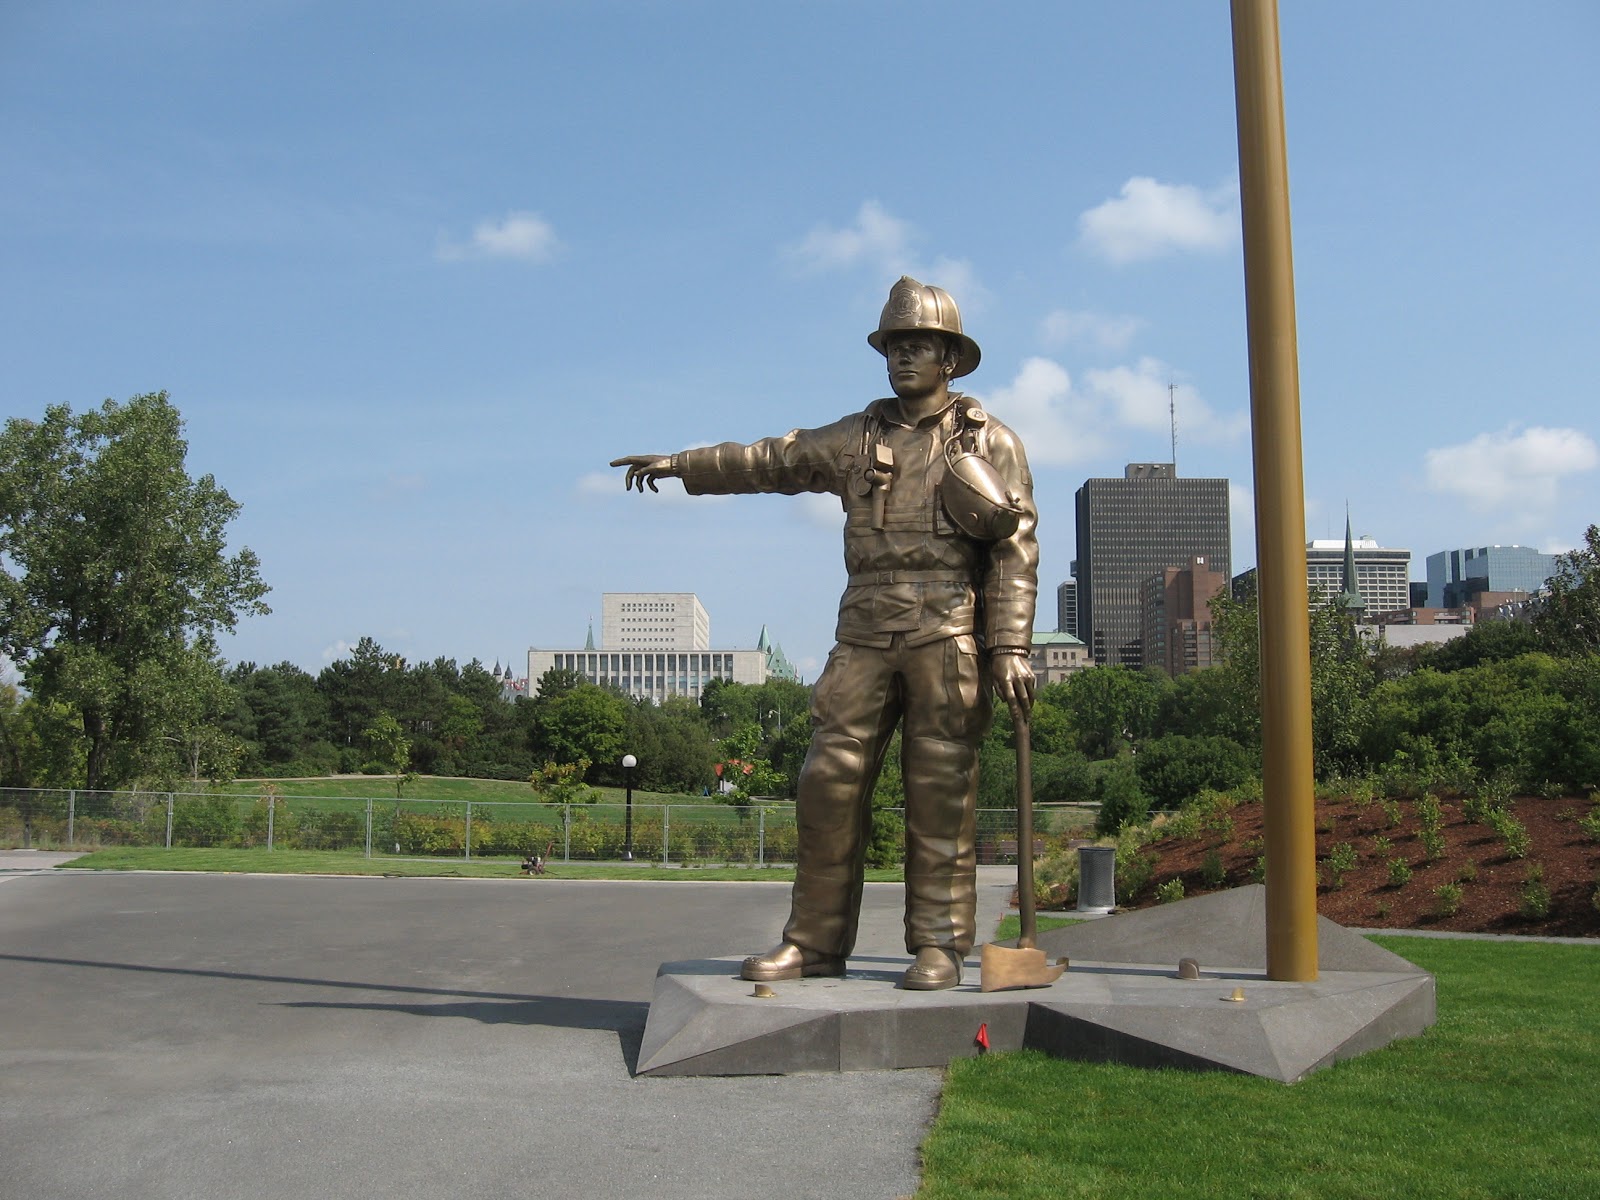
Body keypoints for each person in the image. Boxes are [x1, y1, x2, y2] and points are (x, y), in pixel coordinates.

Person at [611, 276, 1037, 990]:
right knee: (826, 785)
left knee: (940, 794)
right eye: (894, 345)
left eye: (919, 345)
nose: (903, 357)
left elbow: (1015, 549)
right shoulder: (855, 436)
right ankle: (813, 943)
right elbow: (769, 459)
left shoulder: (991, 440)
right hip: (864, 629)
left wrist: (1012, 646)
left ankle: (939, 945)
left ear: (950, 359)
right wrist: (683, 465)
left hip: (947, 630)